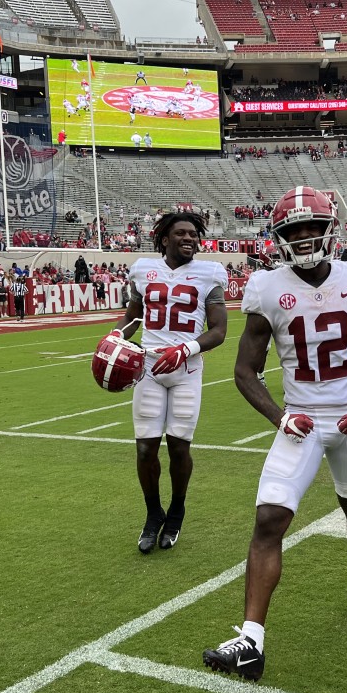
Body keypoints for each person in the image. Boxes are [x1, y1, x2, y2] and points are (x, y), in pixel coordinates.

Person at [202, 186, 347, 682]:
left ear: (331, 228)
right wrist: (279, 417)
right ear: (280, 237)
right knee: (269, 519)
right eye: (295, 229)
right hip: (302, 420)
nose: (306, 236)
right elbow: (245, 371)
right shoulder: (268, 287)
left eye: (313, 227)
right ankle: (251, 641)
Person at [105, 211, 228, 552]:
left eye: (193, 234)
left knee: (178, 446)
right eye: (181, 234)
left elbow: (219, 330)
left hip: (186, 369)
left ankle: (176, 510)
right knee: (145, 447)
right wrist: (118, 334)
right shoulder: (144, 269)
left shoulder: (209, 273)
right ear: (164, 238)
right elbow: (134, 317)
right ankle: (152, 513)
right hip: (148, 367)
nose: (189, 238)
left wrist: (185, 348)